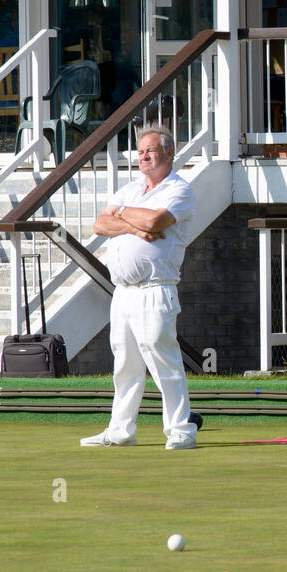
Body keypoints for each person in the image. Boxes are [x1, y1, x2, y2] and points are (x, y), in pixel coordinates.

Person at [81, 125, 198, 450]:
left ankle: (181, 430)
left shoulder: (180, 190)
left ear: (169, 153)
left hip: (155, 288)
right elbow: (100, 224)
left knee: (164, 360)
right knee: (125, 364)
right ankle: (121, 431)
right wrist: (134, 221)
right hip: (123, 292)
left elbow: (154, 223)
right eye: (141, 150)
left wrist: (125, 217)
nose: (143, 155)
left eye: (151, 150)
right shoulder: (130, 188)